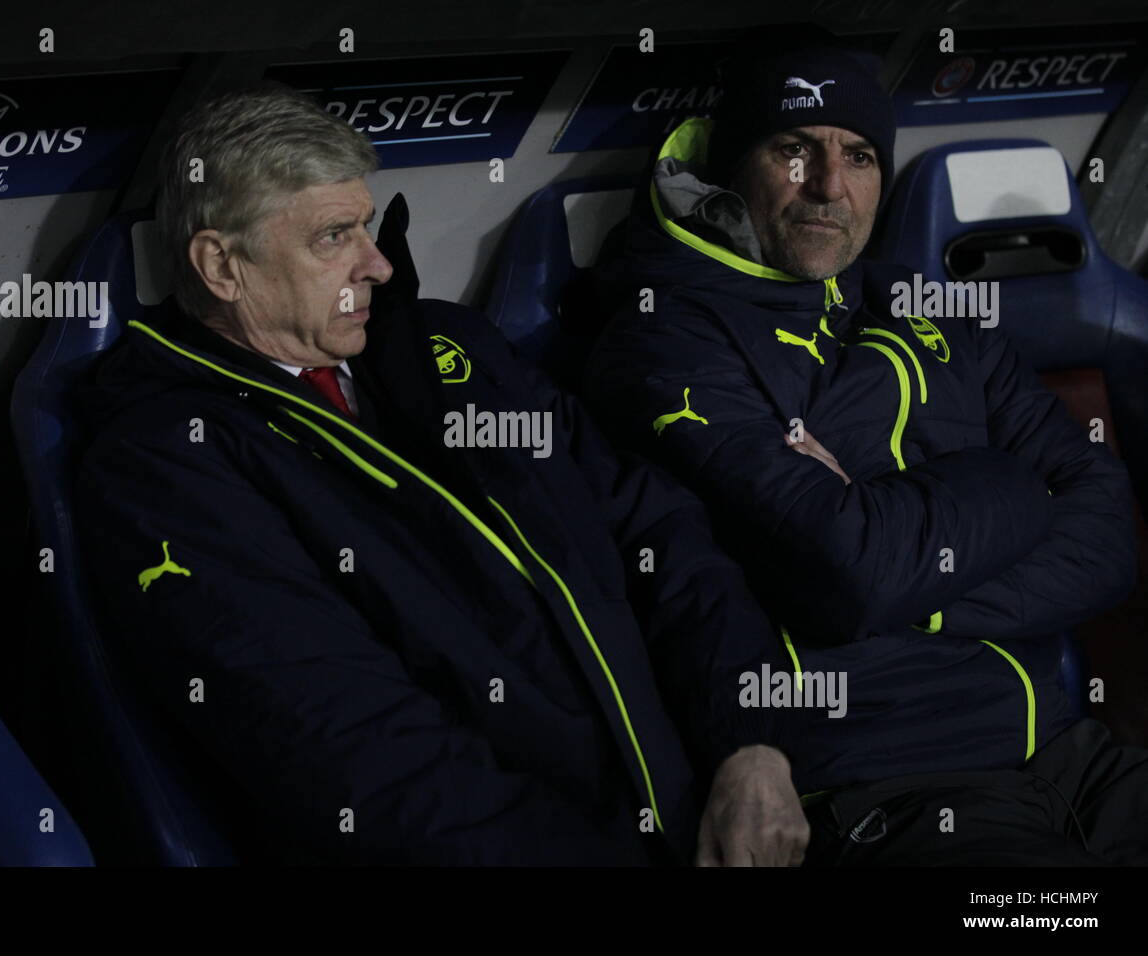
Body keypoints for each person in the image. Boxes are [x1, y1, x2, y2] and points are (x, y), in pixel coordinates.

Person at [72, 85, 816, 865]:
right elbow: (358, 758)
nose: (380, 262)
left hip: (706, 809)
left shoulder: (447, 353)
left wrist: (752, 743)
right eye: (334, 237)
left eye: (366, 225)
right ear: (221, 265)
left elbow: (660, 533)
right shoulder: (169, 464)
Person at [582, 41, 1148, 863]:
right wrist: (1014, 490)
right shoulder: (666, 340)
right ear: (732, 168)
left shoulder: (925, 313)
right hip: (888, 790)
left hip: (1071, 755)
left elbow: (1107, 539)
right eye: (792, 150)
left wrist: (911, 571)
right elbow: (851, 567)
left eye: (858, 155)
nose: (829, 187)